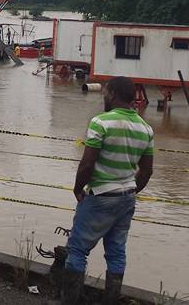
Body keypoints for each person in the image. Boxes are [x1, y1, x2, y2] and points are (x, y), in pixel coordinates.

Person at [58, 76, 154, 305]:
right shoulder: (146, 128)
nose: (104, 96)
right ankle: (110, 300)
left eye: (106, 92)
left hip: (100, 196)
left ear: (112, 95)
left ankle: (69, 301)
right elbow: (147, 171)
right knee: (117, 251)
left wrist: (77, 188)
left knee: (78, 249)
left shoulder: (100, 122)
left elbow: (87, 164)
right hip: (127, 198)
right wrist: (129, 190)